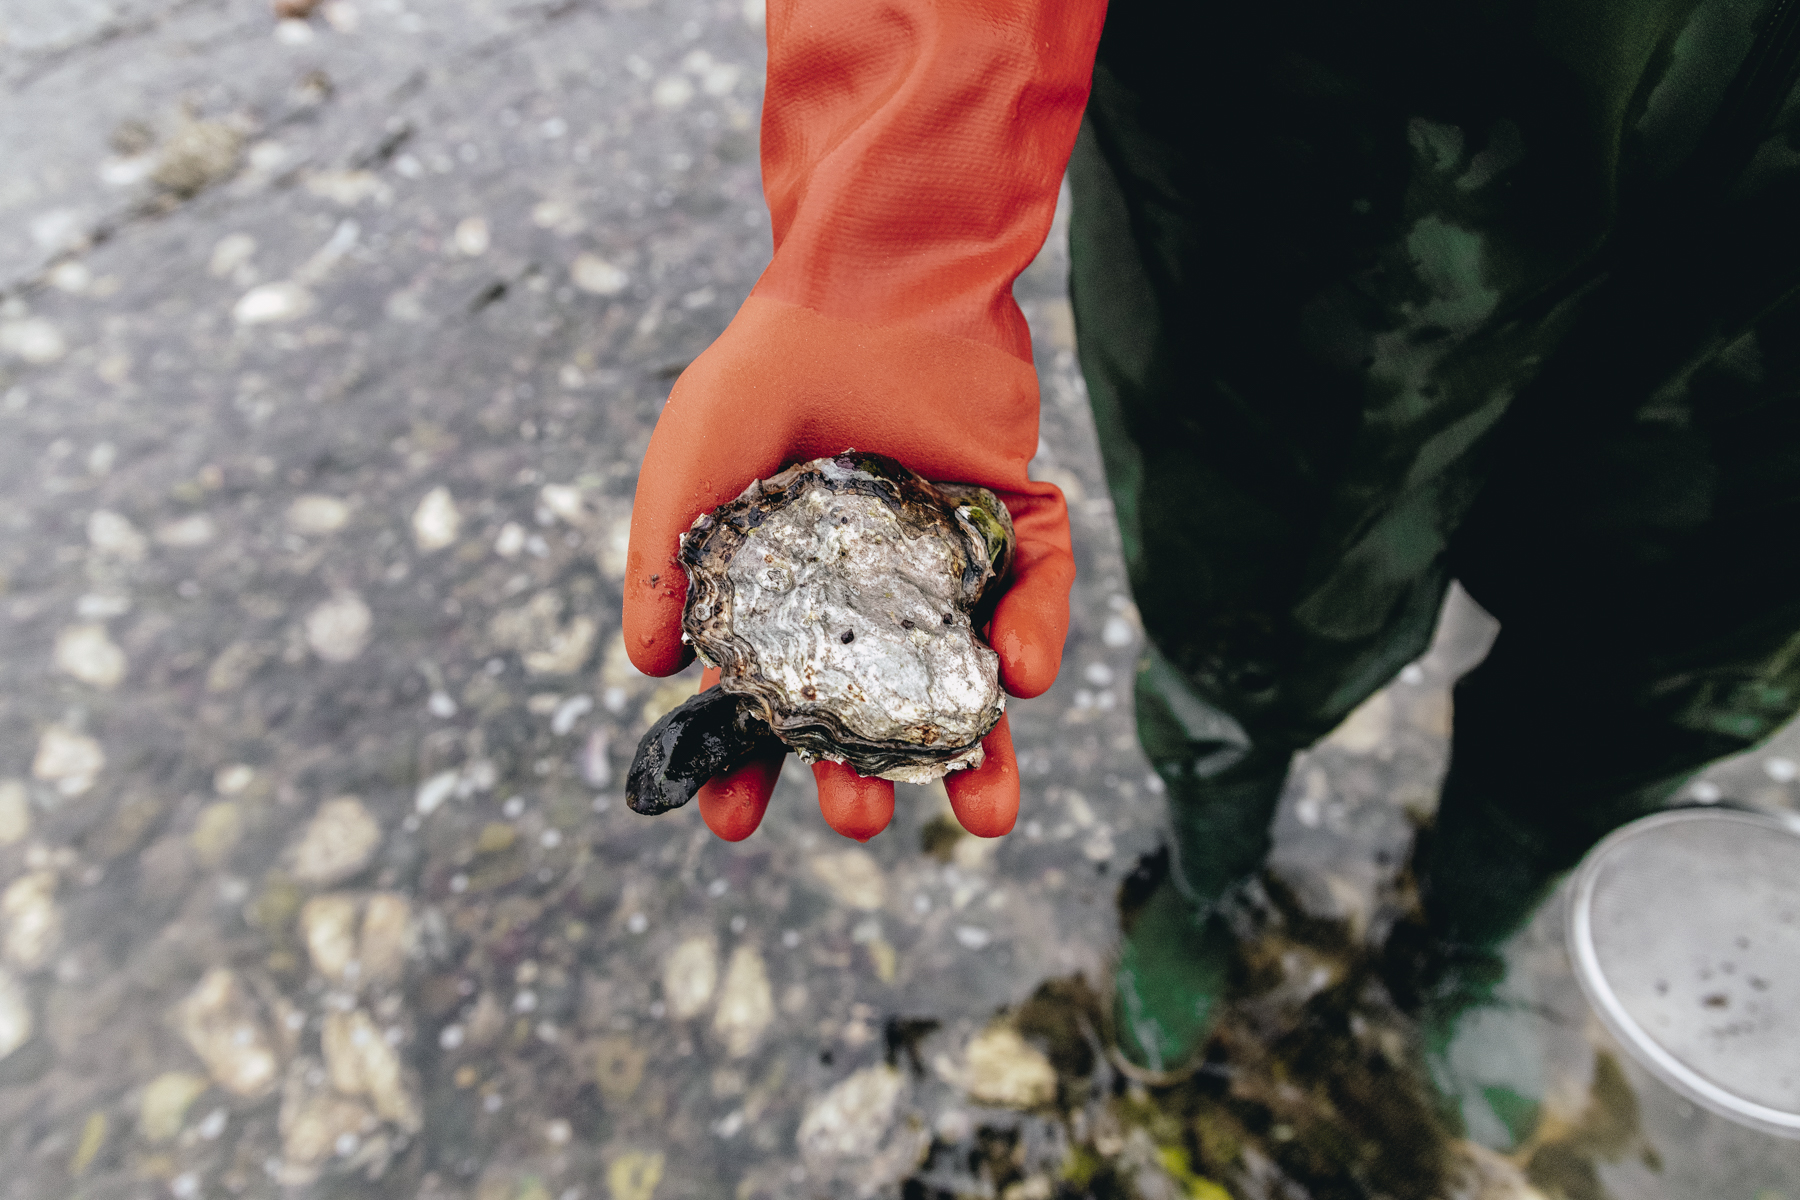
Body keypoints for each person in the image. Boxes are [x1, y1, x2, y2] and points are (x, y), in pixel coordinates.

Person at [623, 0, 1800, 1135]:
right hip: (1356, 108)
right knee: (1264, 560)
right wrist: (893, 240)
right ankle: (1209, 876)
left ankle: (1472, 929)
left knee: (1685, 626)